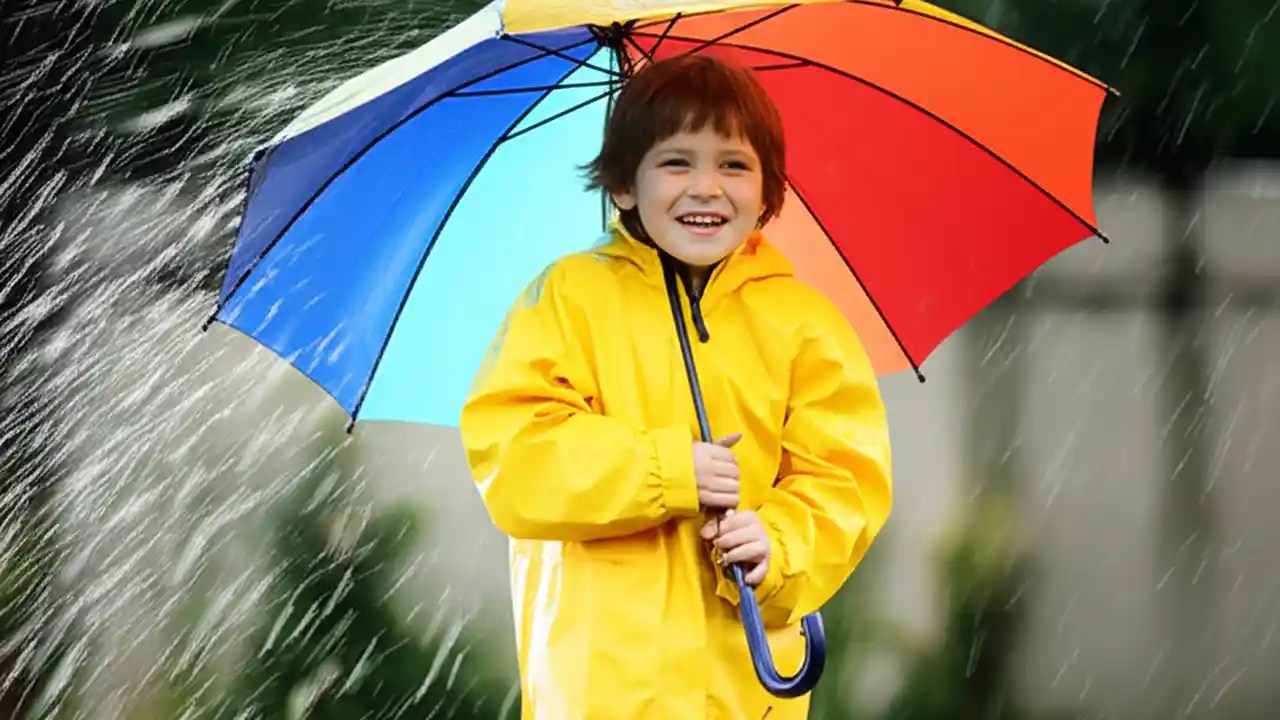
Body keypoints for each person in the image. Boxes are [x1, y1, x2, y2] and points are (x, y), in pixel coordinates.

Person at [460, 53, 892, 720]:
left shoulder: (804, 325)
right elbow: (517, 455)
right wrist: (668, 470)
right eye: (676, 162)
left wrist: (778, 544)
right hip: (600, 691)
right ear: (623, 185)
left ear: (769, 191)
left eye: (733, 164)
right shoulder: (568, 300)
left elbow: (845, 482)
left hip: (742, 694)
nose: (706, 187)